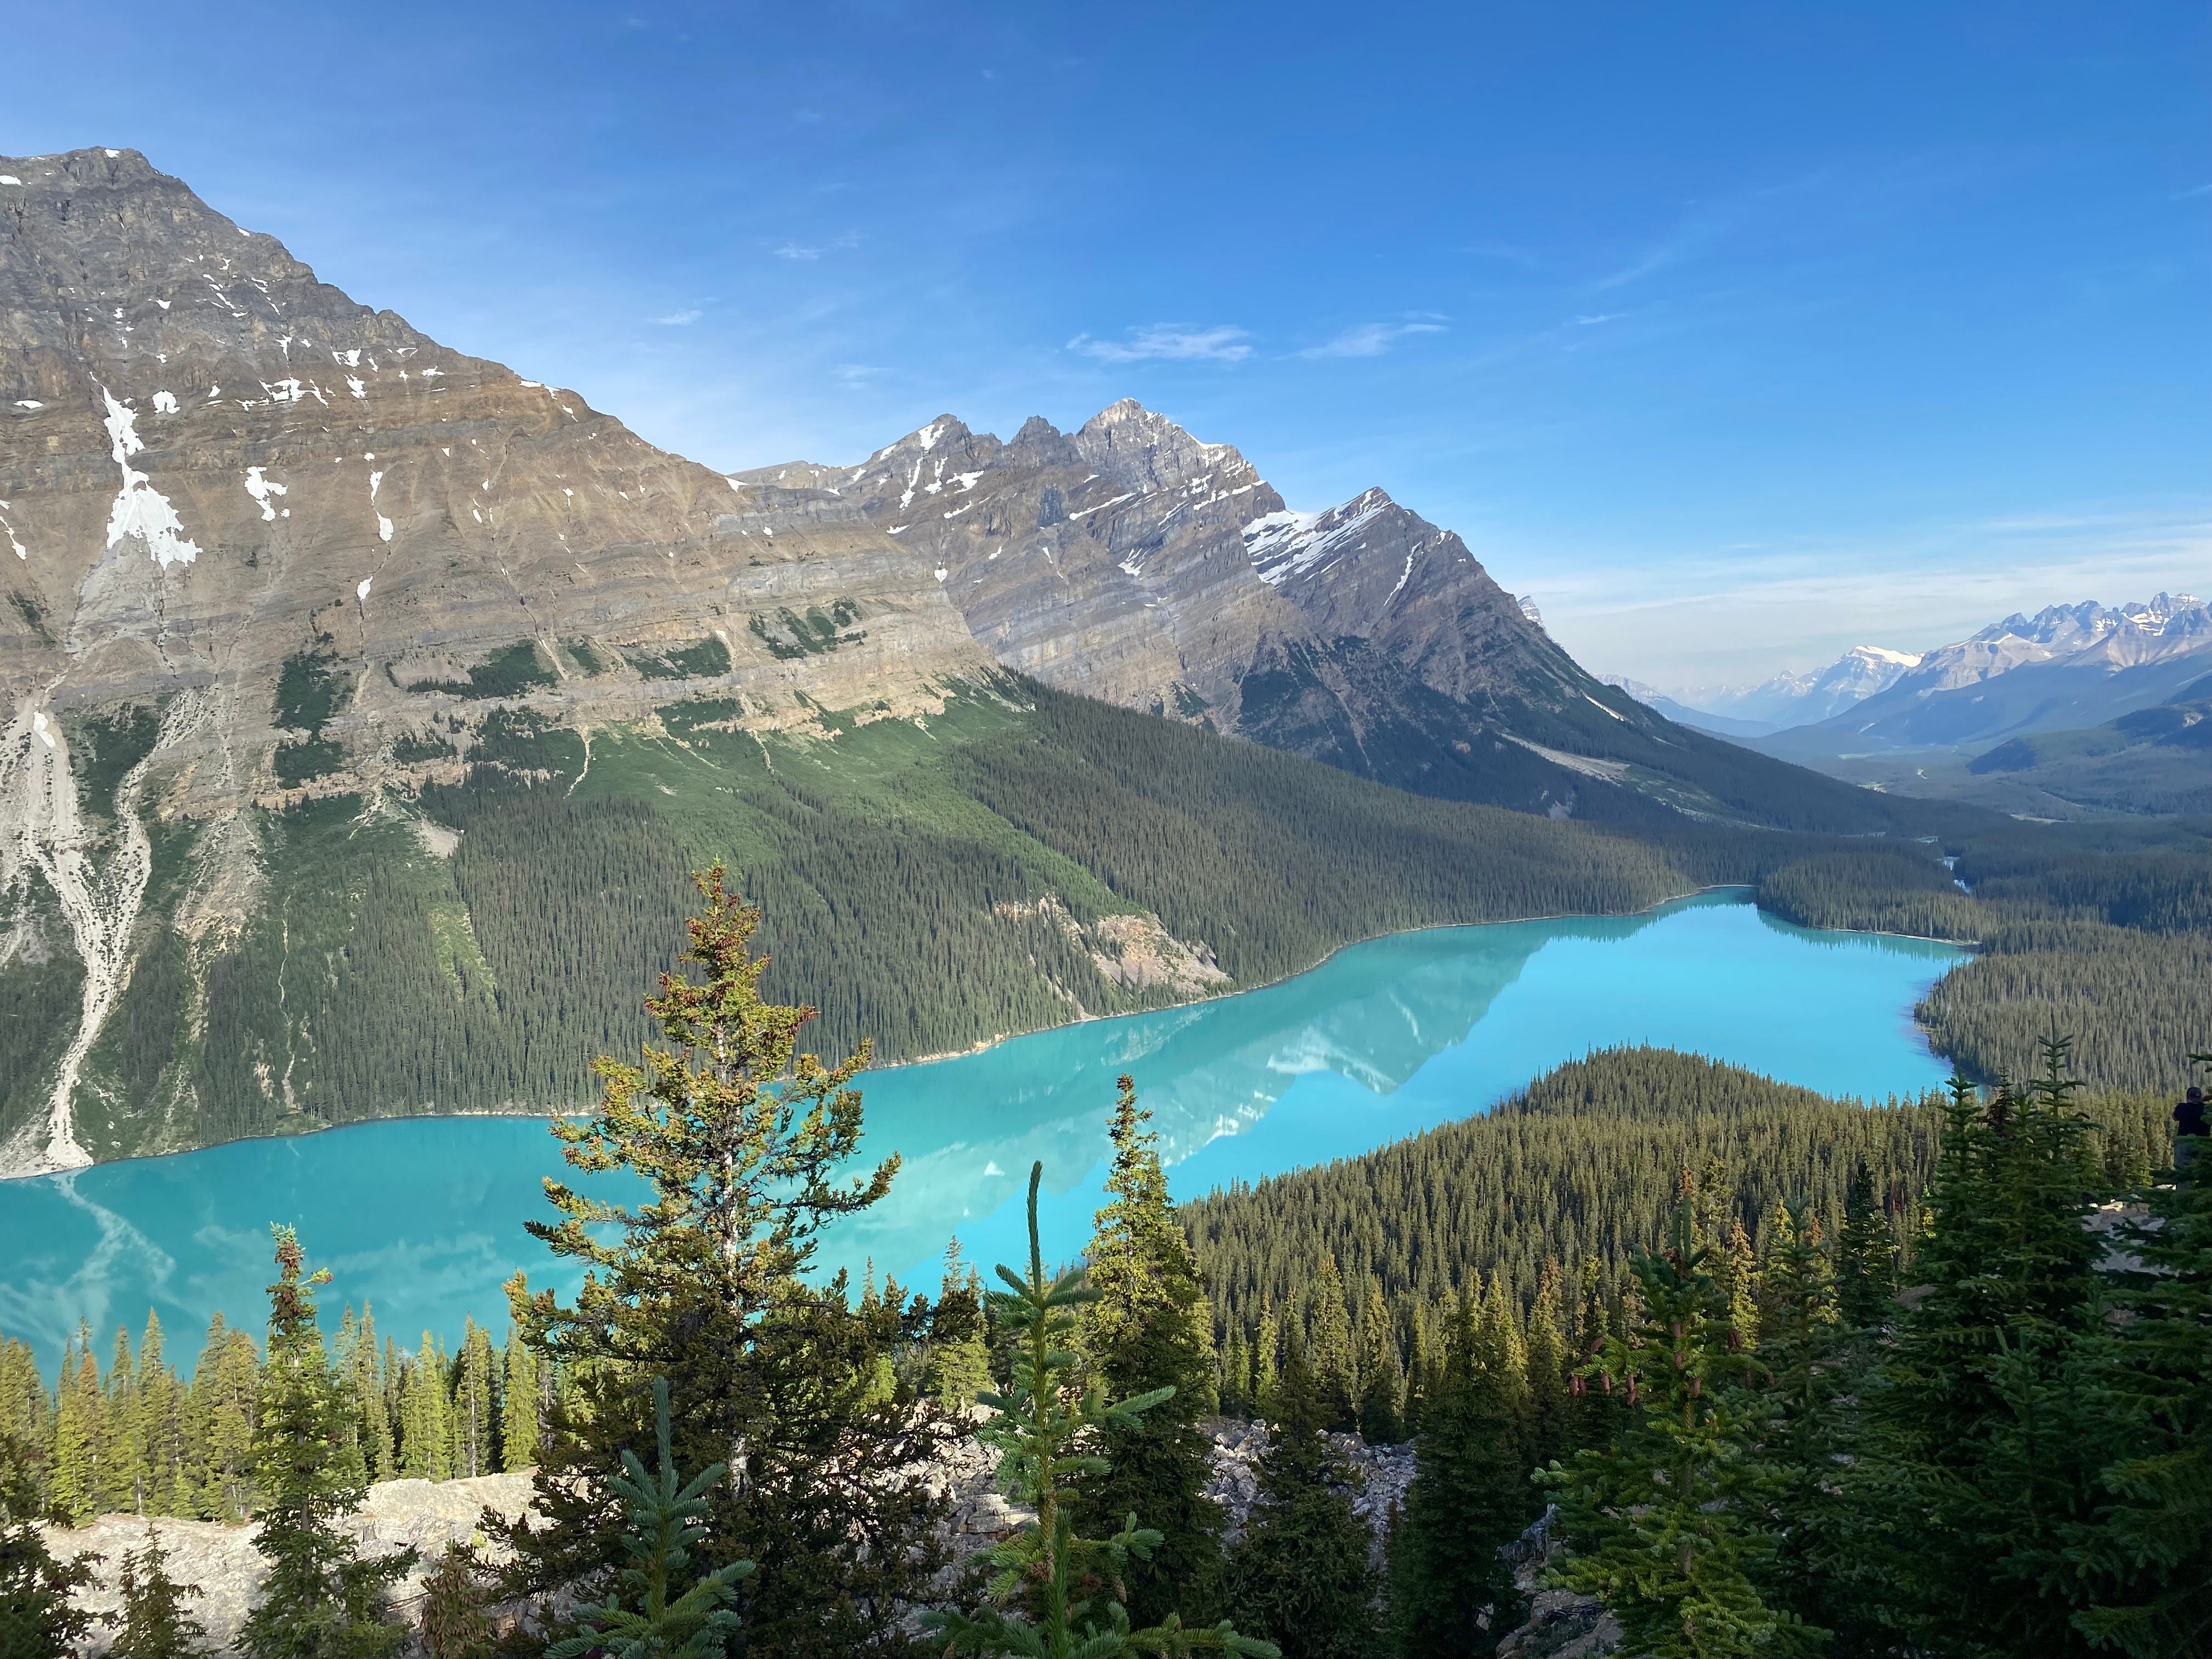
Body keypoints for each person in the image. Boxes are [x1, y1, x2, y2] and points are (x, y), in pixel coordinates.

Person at [2175, 1085, 2209, 1172]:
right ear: (2200, 1096)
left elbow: (2174, 1117)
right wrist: (2203, 1102)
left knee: (2183, 1173)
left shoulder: (2182, 1107)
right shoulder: (2206, 1109)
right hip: (2203, 1144)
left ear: (2187, 1097)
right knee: (2203, 1172)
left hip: (2184, 1143)